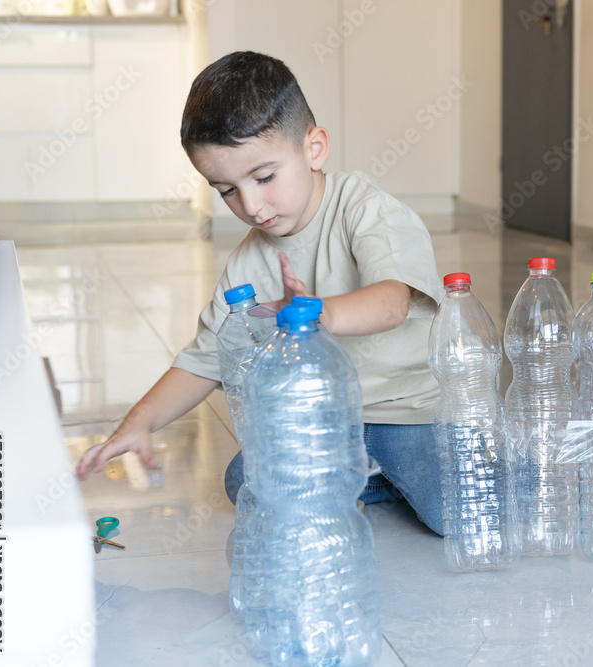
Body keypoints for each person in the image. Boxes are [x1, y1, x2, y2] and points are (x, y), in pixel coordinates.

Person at [75, 51, 444, 535]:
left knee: (451, 516)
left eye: (264, 177)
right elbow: (203, 359)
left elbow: (393, 302)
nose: (249, 204)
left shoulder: (365, 209)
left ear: (314, 149)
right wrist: (139, 421)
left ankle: (430, 467)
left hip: (406, 414)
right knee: (243, 480)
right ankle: (371, 479)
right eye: (226, 190)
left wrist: (319, 312)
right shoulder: (250, 259)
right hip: (325, 424)